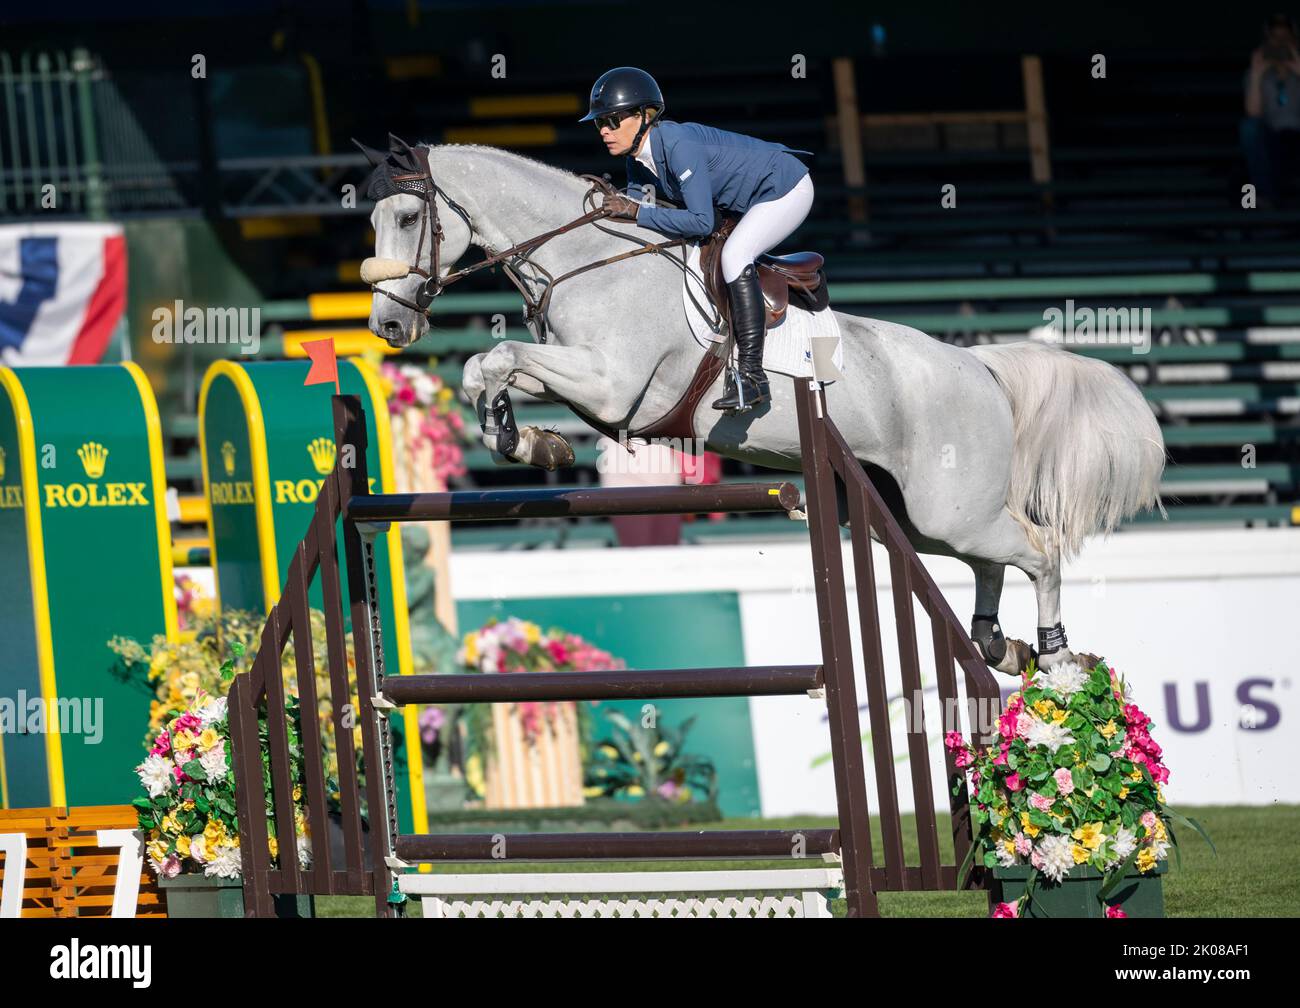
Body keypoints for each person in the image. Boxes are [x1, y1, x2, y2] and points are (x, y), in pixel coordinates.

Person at [581, 67, 814, 412]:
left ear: (645, 116)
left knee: (735, 256)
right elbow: (637, 216)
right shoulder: (636, 161)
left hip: (784, 187)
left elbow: (700, 221)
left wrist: (633, 211)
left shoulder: (678, 146)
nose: (603, 130)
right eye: (600, 122)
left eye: (612, 120)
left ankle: (751, 378)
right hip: (746, 201)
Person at [1242, 14, 1300, 207]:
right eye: (1275, 37)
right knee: (1249, 128)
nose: (1281, 43)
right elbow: (1253, 114)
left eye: (1285, 37)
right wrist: (1257, 74)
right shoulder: (1257, 73)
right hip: (1272, 138)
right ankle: (1265, 196)